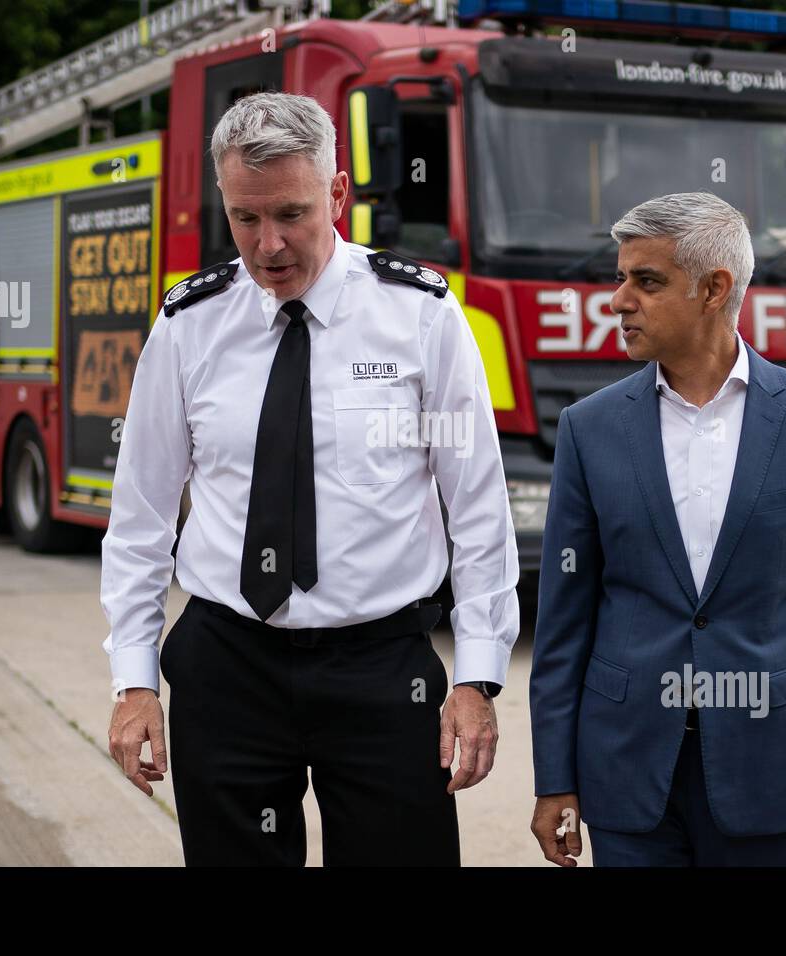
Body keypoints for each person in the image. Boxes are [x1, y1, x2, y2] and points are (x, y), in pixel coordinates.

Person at [100, 91, 518, 866]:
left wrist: (478, 678)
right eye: (245, 218)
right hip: (228, 668)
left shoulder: (421, 315)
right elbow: (140, 518)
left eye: (290, 214)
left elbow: (479, 511)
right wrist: (134, 682)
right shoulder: (190, 324)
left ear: (337, 192)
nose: (268, 246)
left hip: (384, 671)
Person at [529, 192, 786, 867]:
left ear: (714, 289)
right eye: (619, 277)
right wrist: (555, 780)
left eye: (647, 280)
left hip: (771, 769)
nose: (618, 300)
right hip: (627, 772)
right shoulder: (588, 429)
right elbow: (562, 628)